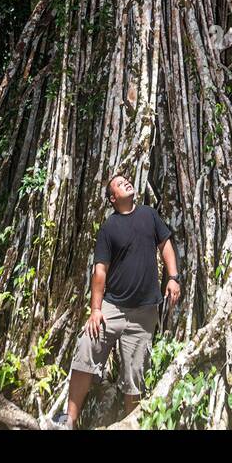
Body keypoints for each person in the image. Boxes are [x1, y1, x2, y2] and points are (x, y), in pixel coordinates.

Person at [66, 172, 180, 427]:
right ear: (112, 198)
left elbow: (166, 245)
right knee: (86, 348)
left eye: (126, 179)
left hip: (144, 313)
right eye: (119, 183)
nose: (126, 182)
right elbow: (100, 271)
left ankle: (128, 424)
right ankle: (69, 421)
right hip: (112, 308)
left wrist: (174, 277)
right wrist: (96, 309)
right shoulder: (109, 228)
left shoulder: (149, 215)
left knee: (134, 374)